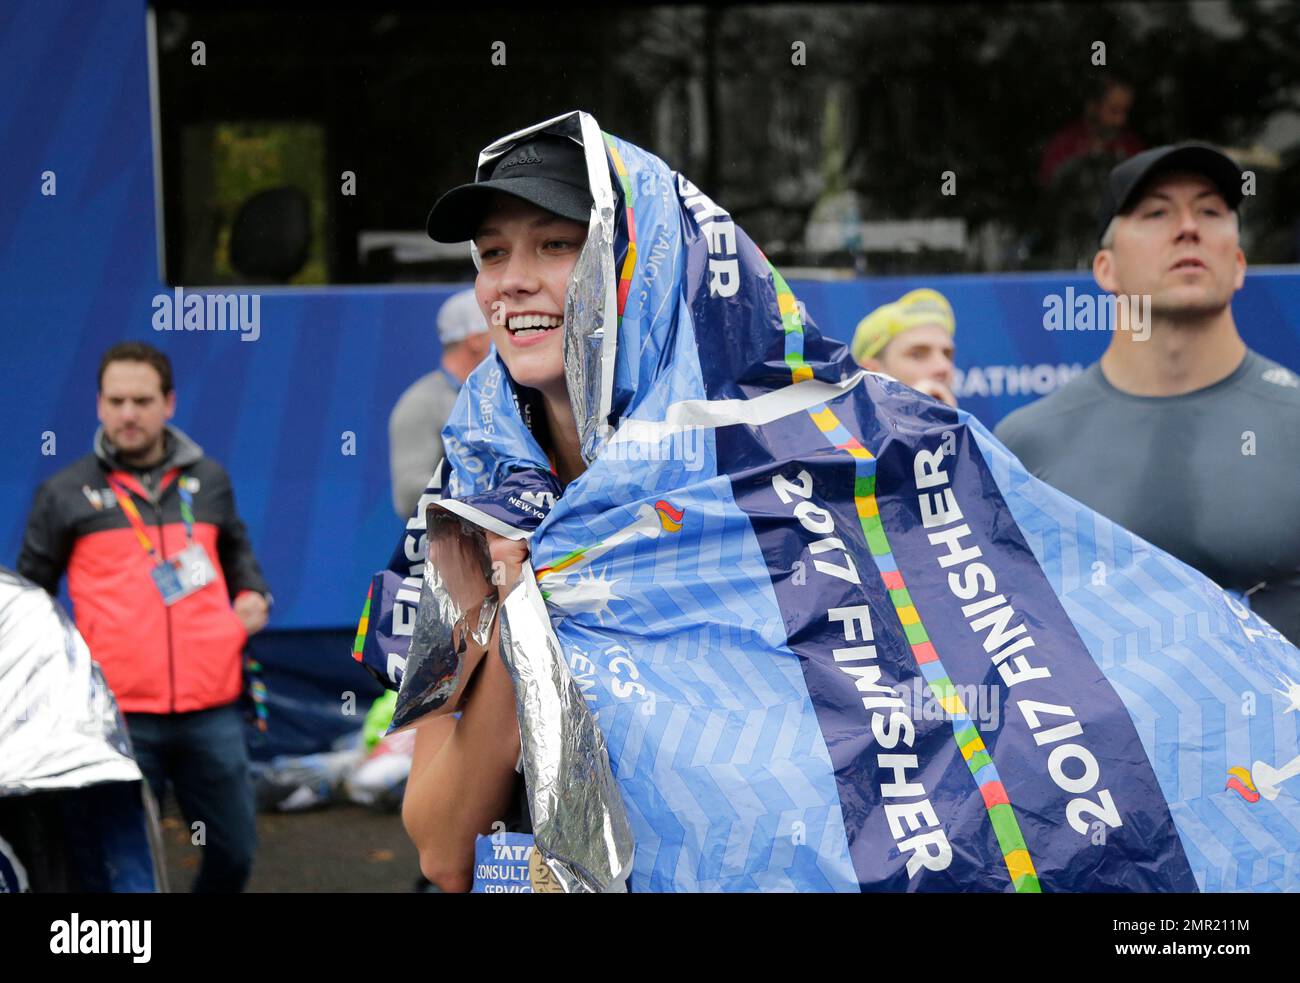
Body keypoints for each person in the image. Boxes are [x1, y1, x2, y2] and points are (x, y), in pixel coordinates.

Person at [995, 143, 1300, 645]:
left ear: (1240, 262)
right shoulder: (1027, 445)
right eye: (1156, 212)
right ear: (1105, 269)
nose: (1188, 228)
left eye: (1210, 210)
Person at [401, 133, 593, 892]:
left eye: (555, 245)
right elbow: (444, 852)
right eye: (491, 253)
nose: (510, 283)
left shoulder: (737, 483)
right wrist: (521, 622)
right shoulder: (461, 513)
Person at [17, 341, 271, 892]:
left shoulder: (209, 480)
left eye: (141, 400)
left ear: (169, 403)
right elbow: (29, 597)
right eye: (116, 401)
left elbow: (236, 554)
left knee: (234, 849)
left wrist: (252, 593)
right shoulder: (64, 493)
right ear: (100, 406)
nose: (128, 413)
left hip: (213, 709)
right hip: (115, 717)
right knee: (122, 867)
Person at [388, 290, 491, 518]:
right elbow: (408, 495)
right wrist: (491, 497)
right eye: (497, 329)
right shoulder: (421, 403)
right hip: (454, 547)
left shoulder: (501, 394)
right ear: (474, 339)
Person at [850, 287, 958, 406]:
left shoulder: (972, 424)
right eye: (918, 355)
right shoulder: (836, 423)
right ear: (871, 374)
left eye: (947, 354)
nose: (943, 367)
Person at [1038, 78, 1143, 188]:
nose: (1121, 120)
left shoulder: (1131, 147)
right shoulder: (1064, 147)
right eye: (1113, 110)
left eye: (1125, 111)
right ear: (1092, 106)